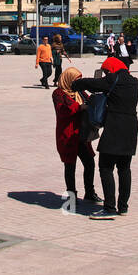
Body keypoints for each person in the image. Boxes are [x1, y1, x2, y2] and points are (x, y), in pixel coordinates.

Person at [71, 57, 138, 216]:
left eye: (107, 71)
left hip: (115, 127)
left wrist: (77, 84)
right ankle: (123, 207)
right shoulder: (135, 81)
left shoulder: (113, 79)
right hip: (131, 127)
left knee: (106, 167)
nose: (106, 74)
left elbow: (93, 85)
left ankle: (109, 208)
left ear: (112, 69)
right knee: (124, 168)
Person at [52, 67, 101, 207]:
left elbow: (90, 100)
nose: (77, 83)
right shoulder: (58, 93)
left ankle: (89, 192)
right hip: (67, 134)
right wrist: (81, 108)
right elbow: (64, 110)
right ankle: (71, 196)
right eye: (76, 80)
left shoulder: (79, 92)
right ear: (68, 79)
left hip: (81, 134)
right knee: (70, 165)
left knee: (89, 162)